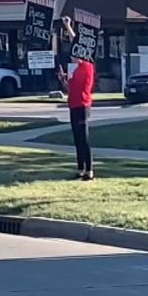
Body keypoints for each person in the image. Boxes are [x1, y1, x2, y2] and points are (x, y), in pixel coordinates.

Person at [58, 16, 96, 181]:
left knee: (84, 138)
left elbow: (77, 43)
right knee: (77, 139)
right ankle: (80, 169)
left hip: (82, 106)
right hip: (73, 105)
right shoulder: (73, 72)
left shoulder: (87, 67)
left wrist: (68, 26)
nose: (72, 57)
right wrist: (63, 80)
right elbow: (69, 89)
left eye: (75, 54)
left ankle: (90, 170)